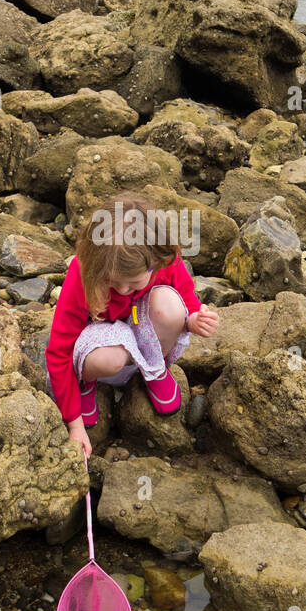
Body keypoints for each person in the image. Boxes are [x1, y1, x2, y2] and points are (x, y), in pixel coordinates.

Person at [45, 192, 220, 457]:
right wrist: (74, 423)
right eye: (113, 282)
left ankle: (153, 367)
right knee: (109, 357)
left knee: (171, 307)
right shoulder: (84, 275)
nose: (124, 290)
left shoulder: (162, 256)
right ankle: (86, 382)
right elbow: (59, 351)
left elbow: (184, 291)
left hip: (143, 330)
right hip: (103, 343)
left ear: (154, 262)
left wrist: (194, 317)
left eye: (133, 282)